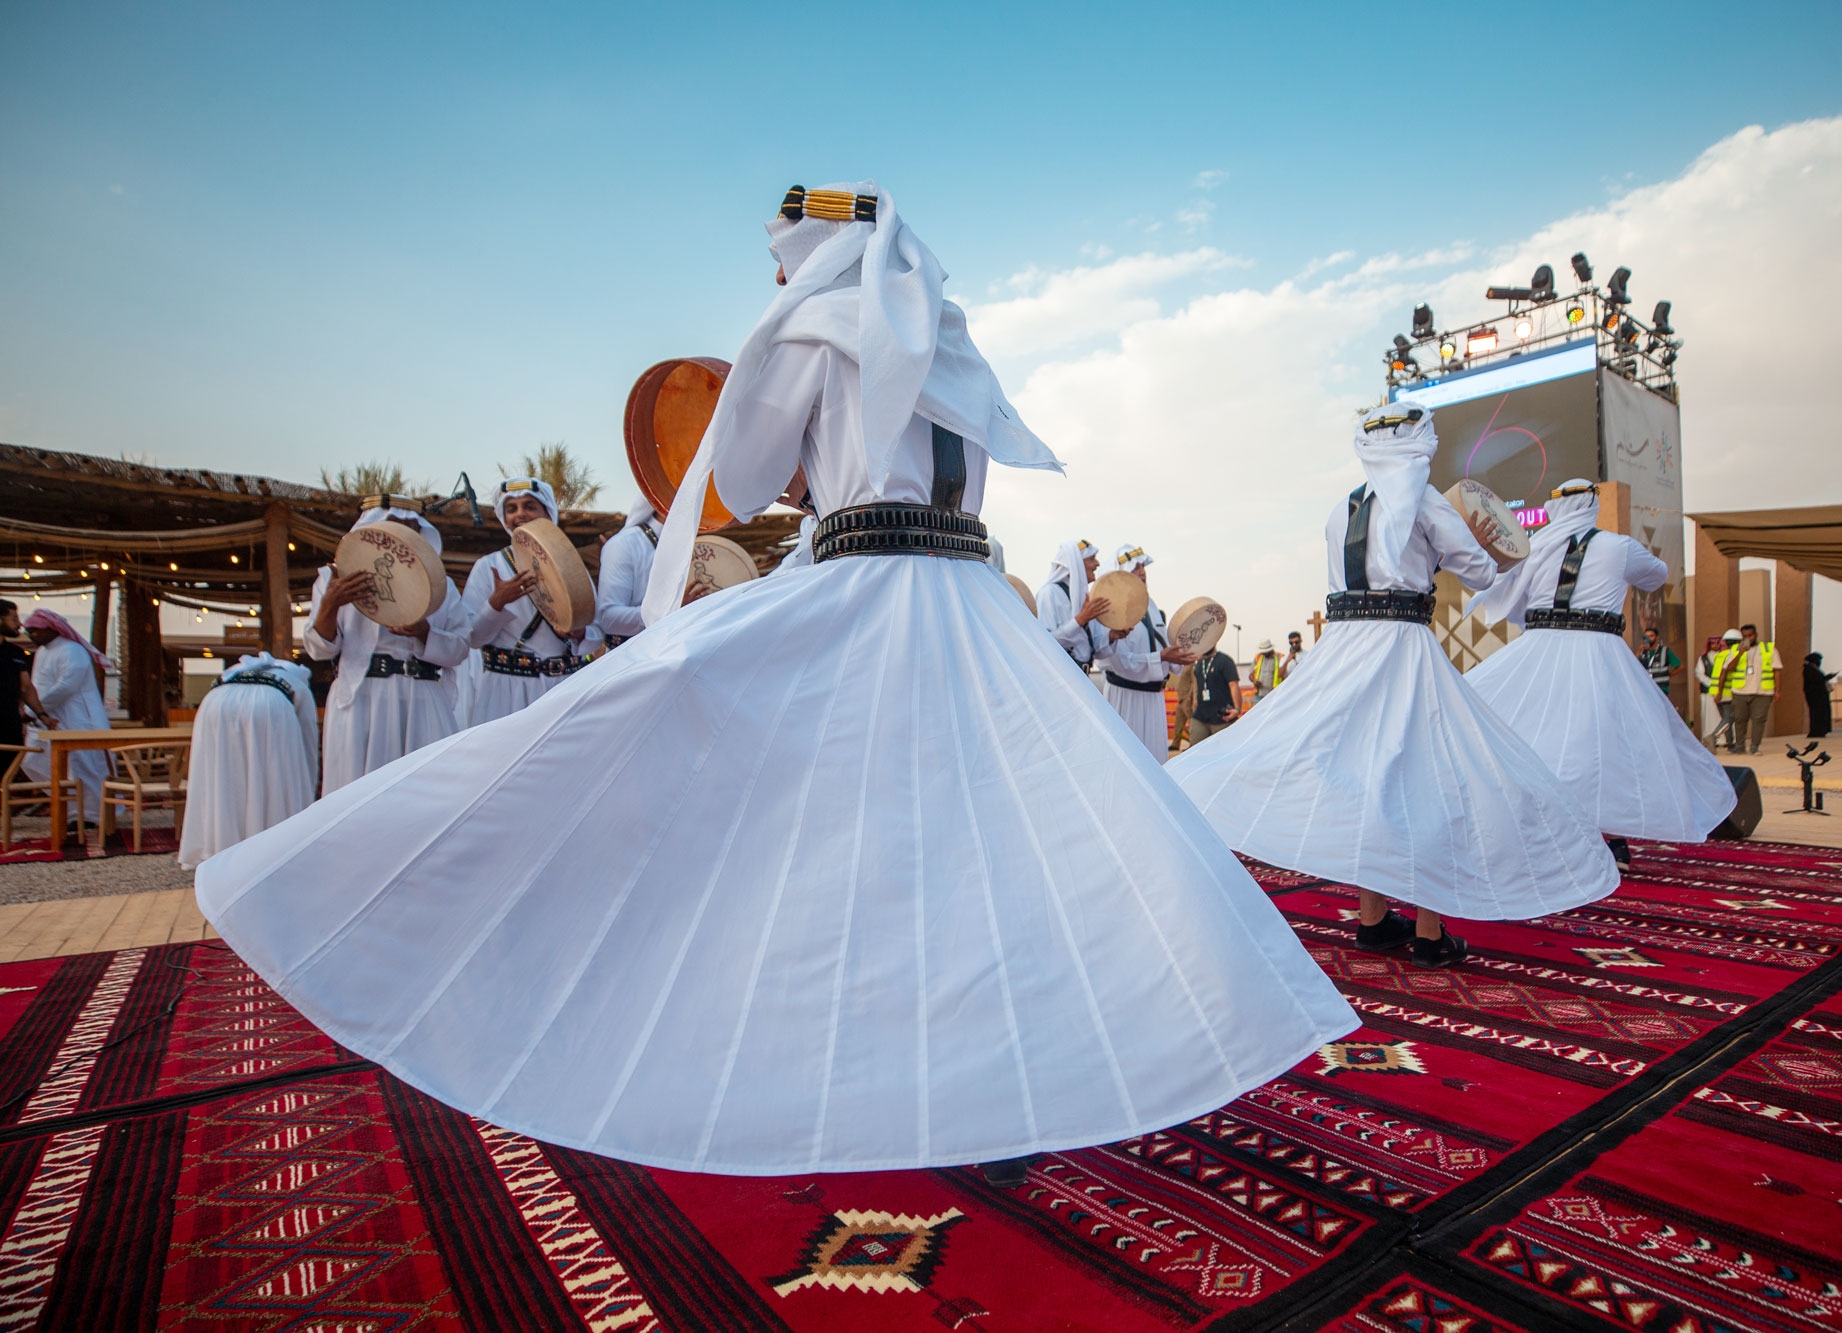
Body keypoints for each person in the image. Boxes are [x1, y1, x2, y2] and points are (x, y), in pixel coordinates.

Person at [196, 181, 1357, 1183]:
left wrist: (801, 449)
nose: (771, 273)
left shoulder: (811, 326)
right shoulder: (947, 331)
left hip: (862, 595)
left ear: (810, 257)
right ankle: (1013, 1069)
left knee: (705, 743)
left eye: (776, 259)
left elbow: (737, 480)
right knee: (983, 836)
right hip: (963, 606)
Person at [1169, 407, 1618, 969]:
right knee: (1430, 780)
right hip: (1402, 649)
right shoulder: (1426, 502)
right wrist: (1480, 536)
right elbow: (1481, 574)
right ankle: (1429, 933)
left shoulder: (1340, 510)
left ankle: (1374, 921)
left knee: (1363, 781)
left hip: (1342, 650)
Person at [1465, 480, 1738, 863]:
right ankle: (1605, 838)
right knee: (1602, 749)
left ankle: (1540, 834)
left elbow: (1518, 598)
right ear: (1591, 506)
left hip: (1540, 650)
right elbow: (1657, 575)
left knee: (1528, 736)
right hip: (1598, 654)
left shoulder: (1537, 547)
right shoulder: (1619, 547)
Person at [305, 499, 471, 792]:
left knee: (429, 790)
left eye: (411, 528)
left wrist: (424, 633)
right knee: (357, 793)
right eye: (394, 525)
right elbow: (320, 650)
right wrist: (330, 605)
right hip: (362, 698)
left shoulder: (441, 585)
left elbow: (459, 649)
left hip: (424, 698)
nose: (402, 535)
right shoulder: (337, 577)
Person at [462, 477, 599, 725]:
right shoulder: (488, 566)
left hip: (563, 687)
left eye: (529, 506)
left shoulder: (571, 565)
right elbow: (472, 638)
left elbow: (597, 629)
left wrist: (579, 633)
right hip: (506, 689)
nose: (520, 514)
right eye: (511, 508)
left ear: (547, 512)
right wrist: (497, 603)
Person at [178, 652, 319, 868]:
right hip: (270, 707)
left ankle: (217, 848)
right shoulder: (299, 684)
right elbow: (308, 744)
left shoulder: (232, 674)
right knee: (272, 775)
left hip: (214, 705)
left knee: (219, 777)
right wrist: (305, 794)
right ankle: (273, 850)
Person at [1099, 544, 1197, 761]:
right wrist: (1162, 657)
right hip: (1126, 698)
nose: (1142, 572)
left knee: (1155, 762)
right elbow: (1116, 660)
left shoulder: (1151, 605)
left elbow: (1162, 646)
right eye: (1135, 568)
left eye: (1143, 566)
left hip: (1153, 699)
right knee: (1128, 762)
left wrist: (1178, 657)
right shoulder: (1110, 608)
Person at [21, 609, 113, 823]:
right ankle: (71, 812)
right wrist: (37, 711)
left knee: (84, 768)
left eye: (35, 631)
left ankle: (93, 815)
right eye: (29, 631)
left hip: (81, 718)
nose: (31, 635)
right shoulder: (43, 652)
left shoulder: (73, 650)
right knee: (36, 761)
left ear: (51, 629)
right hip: (50, 720)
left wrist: (34, 709)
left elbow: (67, 686)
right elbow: (36, 687)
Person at [1036, 539, 1117, 670]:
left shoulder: (1084, 597)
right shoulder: (1049, 593)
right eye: (1091, 559)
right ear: (1076, 564)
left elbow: (1091, 648)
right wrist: (1080, 620)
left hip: (1082, 675)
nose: (1097, 564)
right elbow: (1045, 644)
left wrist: (1112, 636)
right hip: (1063, 676)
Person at [597, 499, 661, 649]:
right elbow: (609, 618)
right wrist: (669, 610)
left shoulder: (706, 545)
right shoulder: (625, 545)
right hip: (633, 664)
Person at [1723, 623, 1780, 754]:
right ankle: (1740, 746)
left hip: (1763, 691)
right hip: (1740, 691)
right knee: (1740, 719)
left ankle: (1755, 746)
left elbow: (1777, 670)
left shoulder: (1769, 649)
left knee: (1759, 719)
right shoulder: (1735, 649)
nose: (1748, 638)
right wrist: (1740, 653)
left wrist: (1777, 690)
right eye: (1745, 636)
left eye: (1751, 635)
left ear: (1756, 635)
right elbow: (1729, 667)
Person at [0, 600, 41, 752]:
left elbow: (26, 687)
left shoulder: (15, 653)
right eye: (14, 618)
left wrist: (42, 715)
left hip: (9, 725)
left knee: (9, 770)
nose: (19, 623)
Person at [1187, 646, 1241, 743]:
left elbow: (1233, 685)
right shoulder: (1199, 663)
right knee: (1196, 748)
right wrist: (1195, 699)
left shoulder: (1225, 661)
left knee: (1224, 752)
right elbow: (1197, 684)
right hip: (1201, 716)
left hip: (1222, 717)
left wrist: (1237, 709)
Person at [1706, 628, 1743, 749]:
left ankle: (1730, 743)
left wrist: (1717, 693)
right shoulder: (1735, 654)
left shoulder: (1720, 655)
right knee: (1729, 718)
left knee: (1725, 719)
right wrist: (1720, 692)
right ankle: (1713, 737)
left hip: (1715, 690)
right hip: (1726, 691)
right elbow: (1724, 674)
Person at [1693, 634, 1726, 742]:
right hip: (1707, 692)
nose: (1715, 645)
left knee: (1722, 716)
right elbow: (1699, 673)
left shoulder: (1725, 656)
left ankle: (1722, 740)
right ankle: (1708, 739)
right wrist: (1712, 683)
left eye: (1717, 643)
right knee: (1708, 717)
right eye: (1713, 643)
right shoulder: (1703, 658)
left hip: (1722, 691)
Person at [1637, 626, 1680, 696]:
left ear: (1657, 638)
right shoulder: (1642, 652)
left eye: (1651, 636)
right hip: (1646, 689)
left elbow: (1680, 666)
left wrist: (1668, 675)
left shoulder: (1664, 651)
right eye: (1646, 636)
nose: (1649, 638)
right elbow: (1633, 665)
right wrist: (1639, 651)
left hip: (1661, 688)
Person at [1802, 651, 1836, 737]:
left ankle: (1821, 731)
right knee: (1816, 714)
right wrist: (1827, 677)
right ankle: (1816, 731)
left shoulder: (1815, 669)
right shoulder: (1808, 670)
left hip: (1820, 695)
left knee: (1822, 713)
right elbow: (1814, 681)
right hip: (1815, 696)